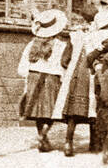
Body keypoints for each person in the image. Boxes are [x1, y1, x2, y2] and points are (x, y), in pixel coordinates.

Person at [16, 9, 71, 152]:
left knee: (38, 111)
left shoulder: (31, 44)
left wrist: (27, 76)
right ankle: (44, 134)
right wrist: (64, 79)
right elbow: (63, 65)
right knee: (51, 110)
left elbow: (23, 66)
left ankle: (42, 137)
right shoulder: (60, 45)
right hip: (51, 78)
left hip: (34, 77)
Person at [59, 13, 93, 156]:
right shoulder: (98, 37)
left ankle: (68, 143)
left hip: (77, 76)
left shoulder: (74, 37)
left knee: (73, 112)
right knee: (93, 110)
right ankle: (94, 143)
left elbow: (64, 60)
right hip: (91, 75)